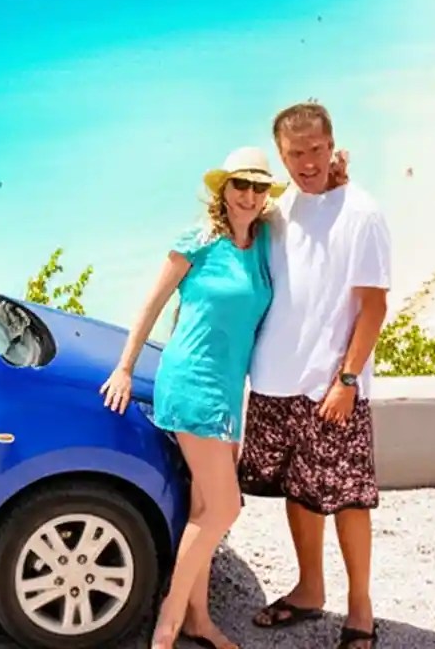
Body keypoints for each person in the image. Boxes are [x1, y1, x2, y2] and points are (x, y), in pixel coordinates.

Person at [100, 145, 287, 649]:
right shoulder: (198, 243)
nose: (248, 196)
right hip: (190, 383)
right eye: (239, 185)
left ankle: (199, 620)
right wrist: (124, 367)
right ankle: (168, 621)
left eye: (258, 187)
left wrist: (334, 172)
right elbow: (152, 304)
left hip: (229, 393)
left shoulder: (265, 244)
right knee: (225, 508)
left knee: (205, 506)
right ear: (222, 189)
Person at [237, 101, 391, 649]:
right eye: (295, 153)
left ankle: (361, 608)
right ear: (281, 156)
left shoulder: (362, 213)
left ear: (333, 147)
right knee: (298, 492)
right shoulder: (278, 214)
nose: (307, 162)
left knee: (349, 497)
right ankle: (309, 589)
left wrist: (346, 381)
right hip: (275, 380)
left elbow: (373, 307)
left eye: (316, 150)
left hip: (333, 387)